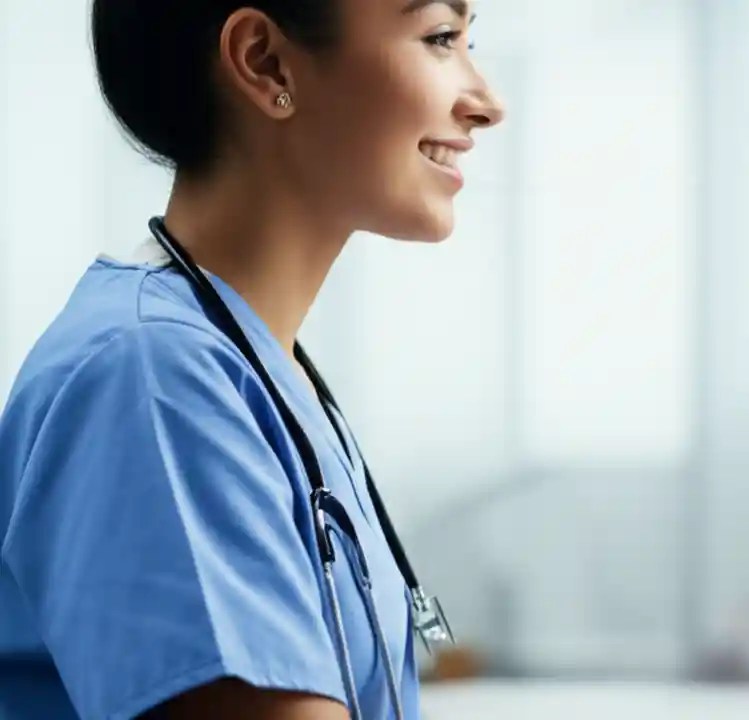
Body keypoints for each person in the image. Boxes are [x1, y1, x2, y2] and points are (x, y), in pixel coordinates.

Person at [0, 0, 503, 717]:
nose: (488, 103)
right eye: (440, 38)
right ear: (265, 62)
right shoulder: (151, 380)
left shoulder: (260, 370)